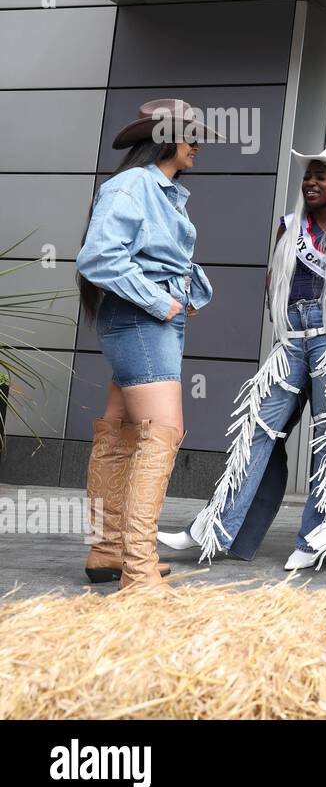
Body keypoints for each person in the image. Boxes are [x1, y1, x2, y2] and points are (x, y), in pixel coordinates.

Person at [159, 145, 326, 570]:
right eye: (309, 175)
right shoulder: (290, 225)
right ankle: (212, 528)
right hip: (293, 337)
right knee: (257, 429)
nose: (312, 181)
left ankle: (317, 535)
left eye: (323, 174)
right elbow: (274, 280)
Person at [75, 99, 215, 590]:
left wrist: (185, 293)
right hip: (140, 322)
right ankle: (138, 567)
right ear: (166, 137)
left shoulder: (164, 190)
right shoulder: (132, 186)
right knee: (163, 431)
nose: (199, 143)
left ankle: (108, 550)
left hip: (140, 321)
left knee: (121, 433)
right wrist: (159, 301)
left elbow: (159, 256)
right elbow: (98, 258)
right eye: (191, 134)